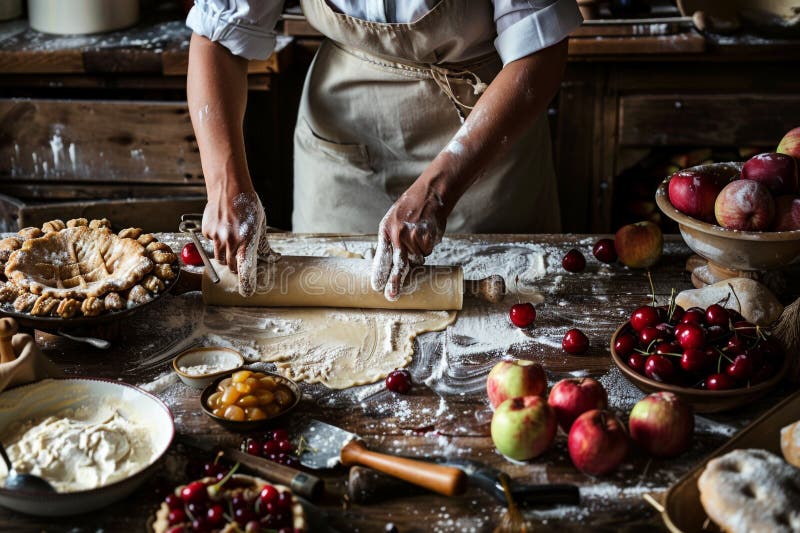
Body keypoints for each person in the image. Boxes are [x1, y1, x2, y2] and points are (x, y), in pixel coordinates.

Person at [186, 0, 582, 299]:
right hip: (341, 148)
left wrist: (439, 190)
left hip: (485, 139)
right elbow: (218, 36)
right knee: (328, 306)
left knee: (500, 306)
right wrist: (225, 187)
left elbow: (540, 51)